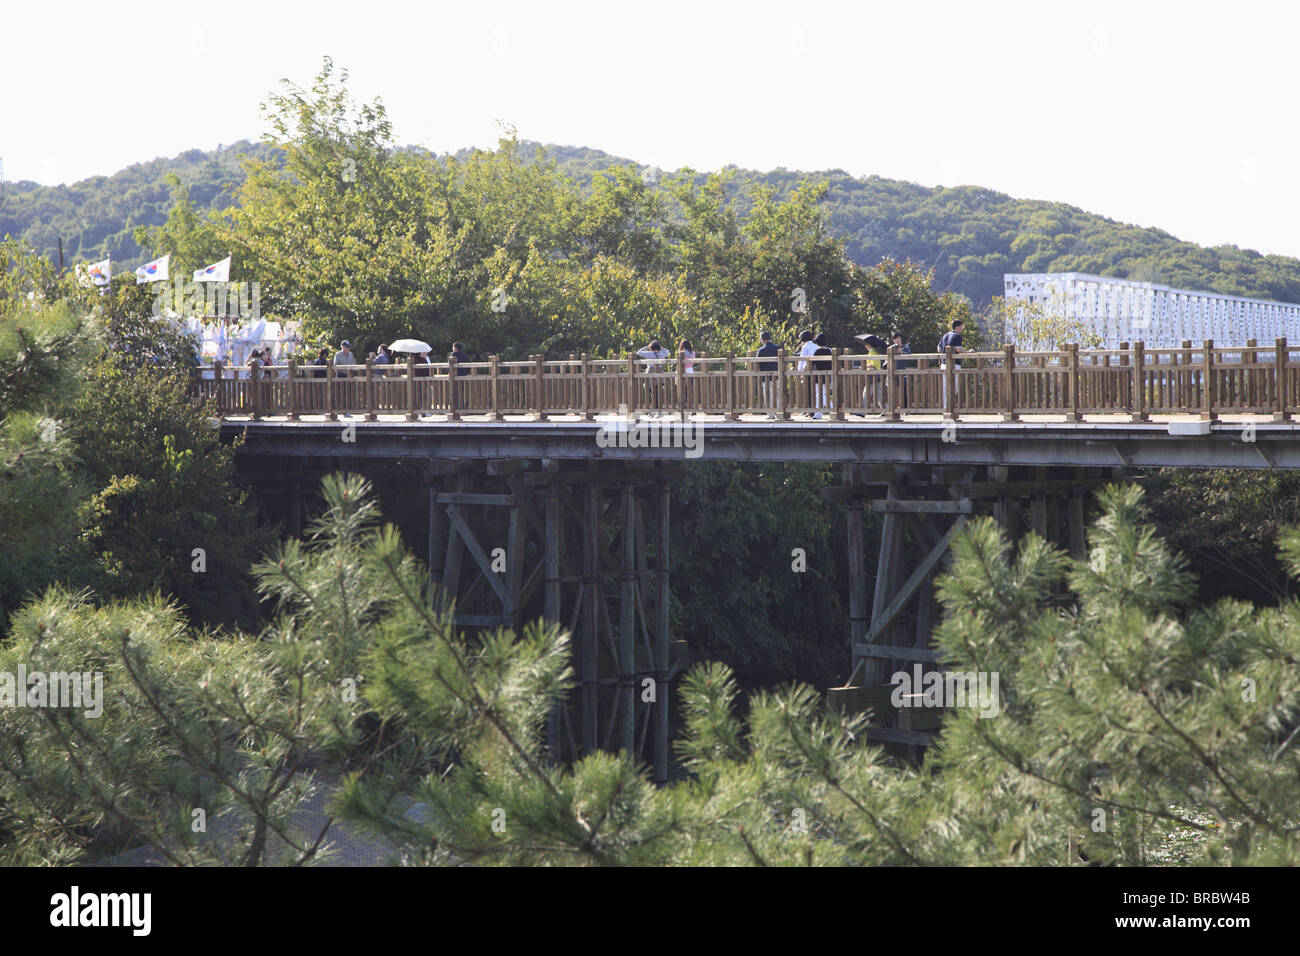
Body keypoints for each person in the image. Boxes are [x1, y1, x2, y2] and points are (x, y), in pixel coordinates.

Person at [636, 339, 671, 412]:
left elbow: (638, 352)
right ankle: (659, 407)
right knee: (659, 389)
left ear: (651, 347)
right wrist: (662, 348)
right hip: (659, 372)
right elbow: (668, 351)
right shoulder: (662, 353)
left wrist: (646, 347)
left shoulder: (649, 353)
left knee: (650, 390)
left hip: (650, 372)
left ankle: (652, 407)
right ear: (659, 347)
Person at [938, 320, 965, 408]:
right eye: (962, 327)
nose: (962, 329)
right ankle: (950, 408)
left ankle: (946, 408)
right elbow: (958, 349)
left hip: (944, 364)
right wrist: (969, 352)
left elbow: (938, 348)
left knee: (946, 387)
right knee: (954, 388)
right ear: (957, 327)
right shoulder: (957, 336)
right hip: (954, 364)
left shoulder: (945, 335)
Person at [756, 331, 780, 417]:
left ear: (762, 340)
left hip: (766, 377)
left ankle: (771, 414)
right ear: (770, 338)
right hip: (778, 376)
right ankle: (780, 412)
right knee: (778, 394)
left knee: (768, 395)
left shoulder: (761, 351)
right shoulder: (778, 348)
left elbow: (757, 364)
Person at [812, 333, 833, 418]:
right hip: (828, 376)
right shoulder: (830, 350)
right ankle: (818, 414)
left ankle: (832, 407)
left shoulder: (817, 351)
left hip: (819, 376)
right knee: (821, 394)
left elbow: (813, 363)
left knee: (819, 394)